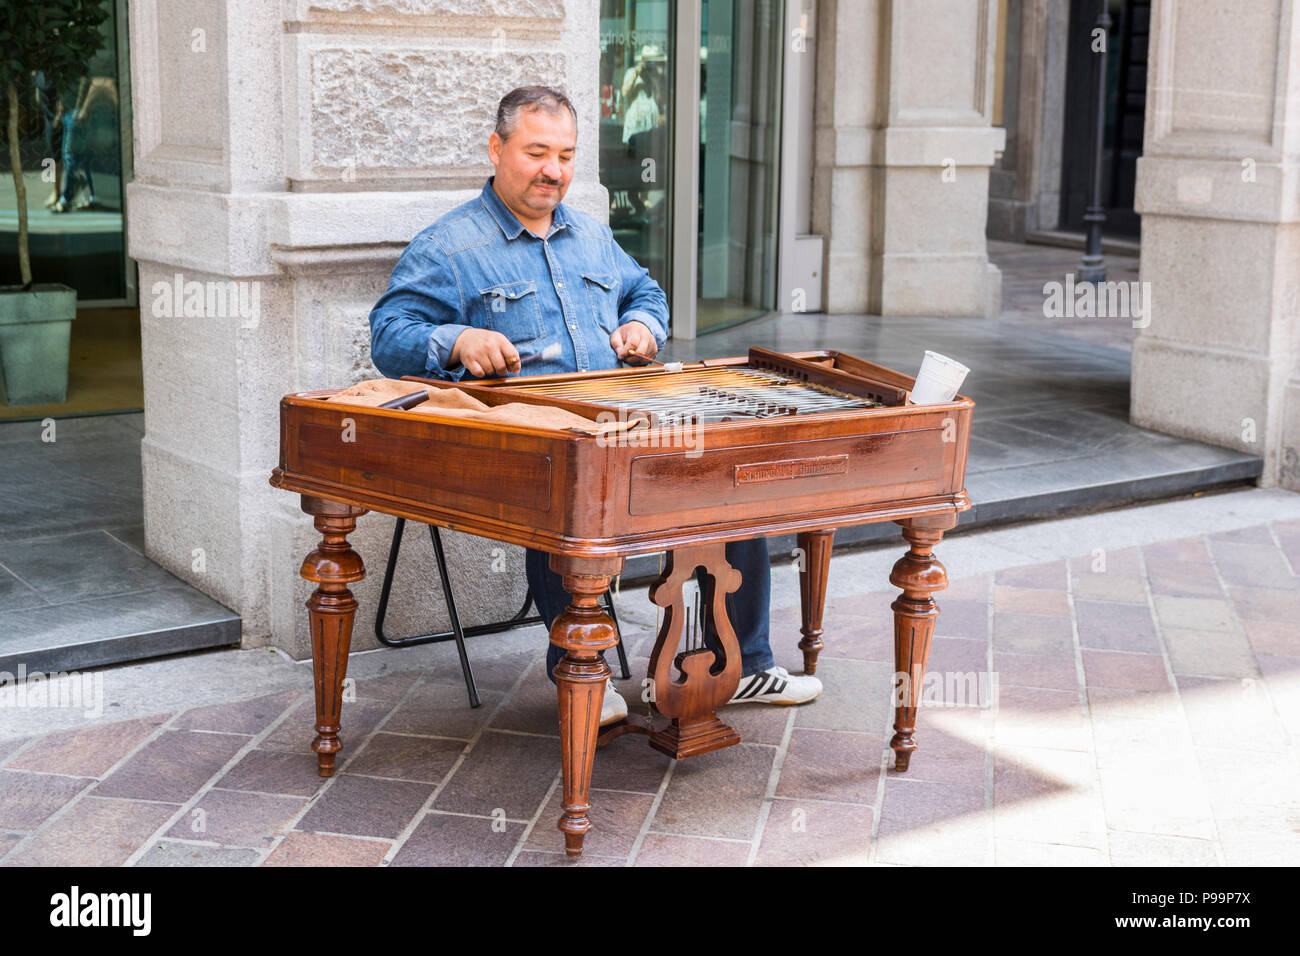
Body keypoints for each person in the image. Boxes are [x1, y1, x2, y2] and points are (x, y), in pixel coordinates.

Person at [368, 86, 821, 725]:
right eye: (536, 153)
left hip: (629, 413)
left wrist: (643, 325)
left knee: (729, 475)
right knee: (573, 488)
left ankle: (740, 664)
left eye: (565, 155)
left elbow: (648, 292)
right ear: (496, 149)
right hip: (539, 439)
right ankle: (583, 671)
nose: (553, 170)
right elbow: (388, 336)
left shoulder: (591, 236)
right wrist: (458, 338)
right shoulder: (450, 247)